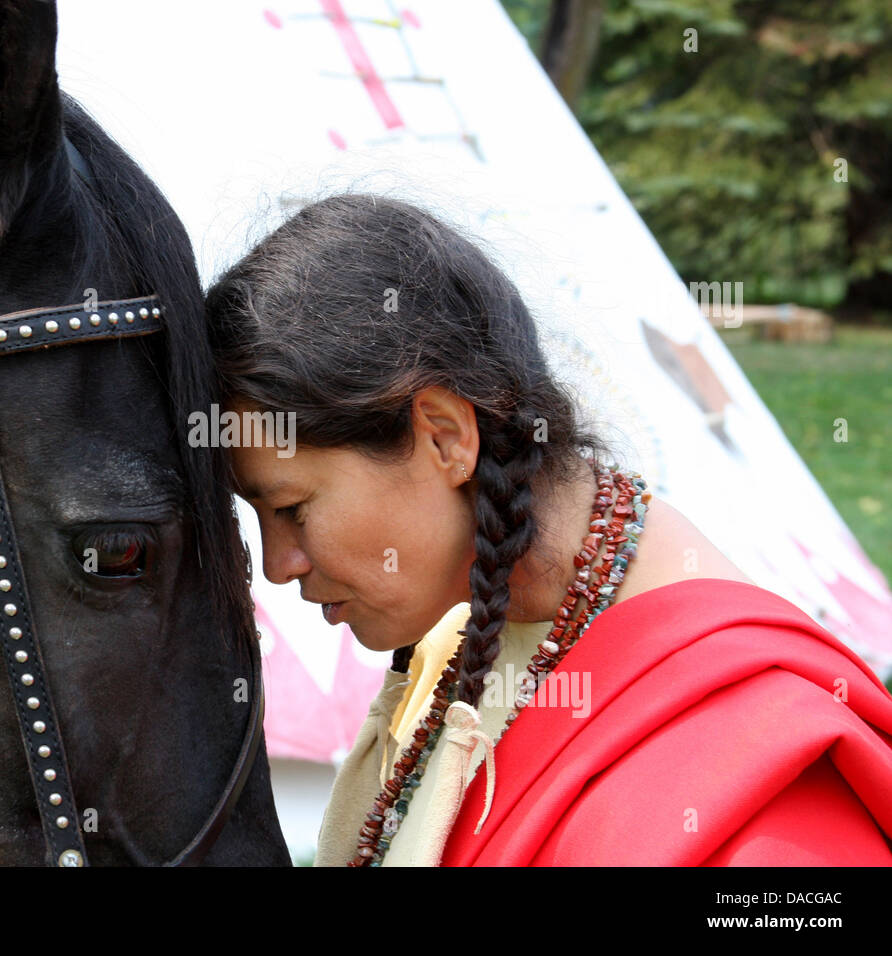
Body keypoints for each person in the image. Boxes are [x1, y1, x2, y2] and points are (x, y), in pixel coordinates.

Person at [203, 193, 892, 866]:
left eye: (292, 508)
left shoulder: (767, 769)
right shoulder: (454, 652)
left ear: (445, 437)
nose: (279, 564)